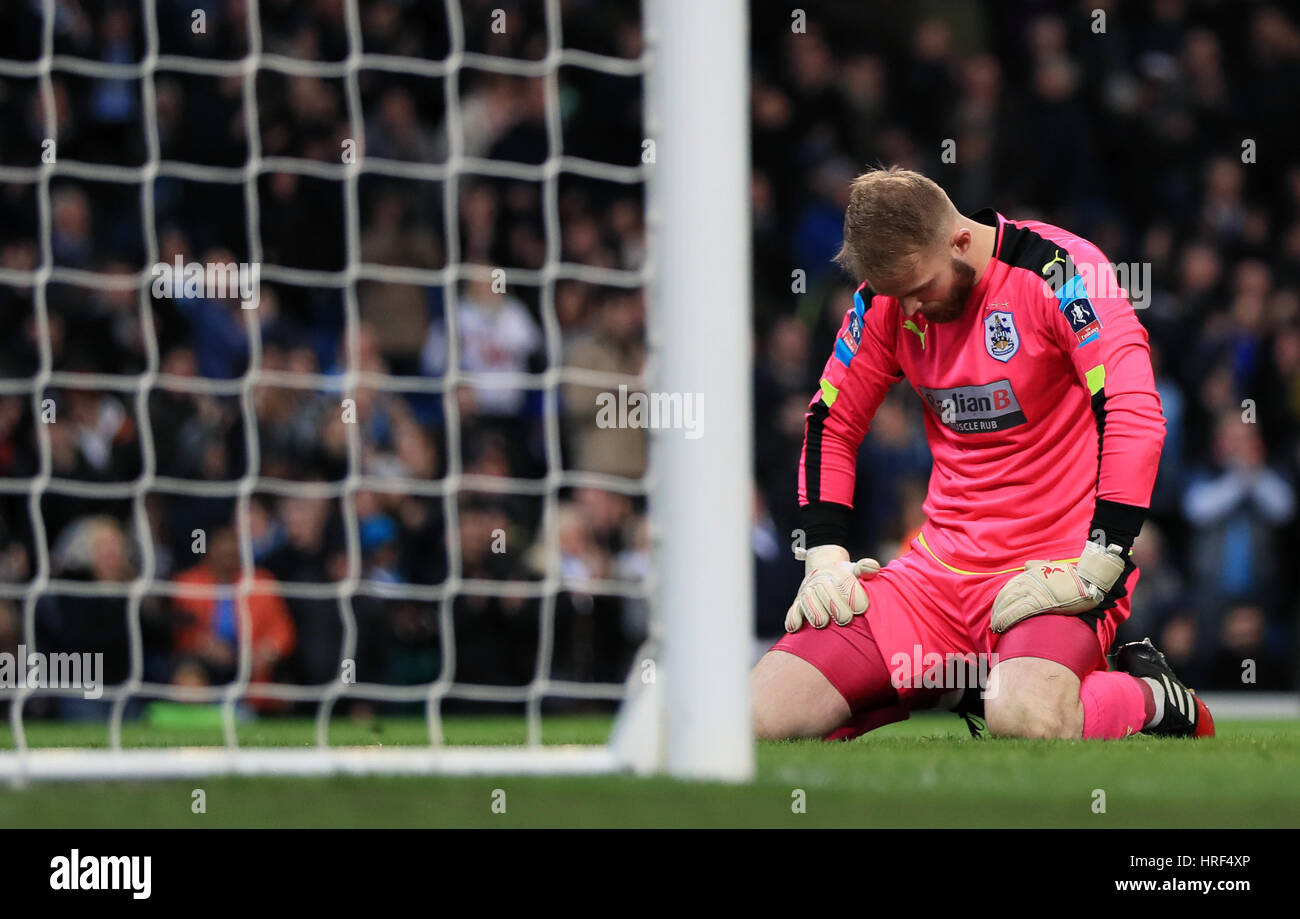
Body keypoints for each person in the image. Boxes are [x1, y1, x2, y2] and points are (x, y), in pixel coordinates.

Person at [753, 166, 1213, 741]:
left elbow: (1132, 406)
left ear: (961, 241)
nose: (910, 312)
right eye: (897, 296)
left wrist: (1103, 559)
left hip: (1056, 572)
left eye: (921, 290)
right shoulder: (887, 301)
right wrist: (824, 556)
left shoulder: (1061, 272)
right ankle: (959, 682)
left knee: (1025, 721)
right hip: (932, 581)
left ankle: (1153, 697)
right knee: (756, 717)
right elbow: (832, 421)